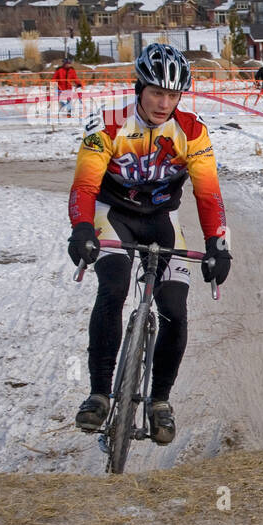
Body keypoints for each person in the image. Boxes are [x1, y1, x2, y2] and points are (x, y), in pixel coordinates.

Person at [67, 44, 233, 445]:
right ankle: (97, 394)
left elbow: (208, 194)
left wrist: (218, 244)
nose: (165, 103)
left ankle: (160, 402)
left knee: (175, 307)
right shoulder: (108, 123)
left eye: (173, 95)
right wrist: (82, 228)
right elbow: (85, 185)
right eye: (157, 92)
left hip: (162, 220)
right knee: (114, 286)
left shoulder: (192, 132)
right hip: (114, 215)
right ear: (139, 88)